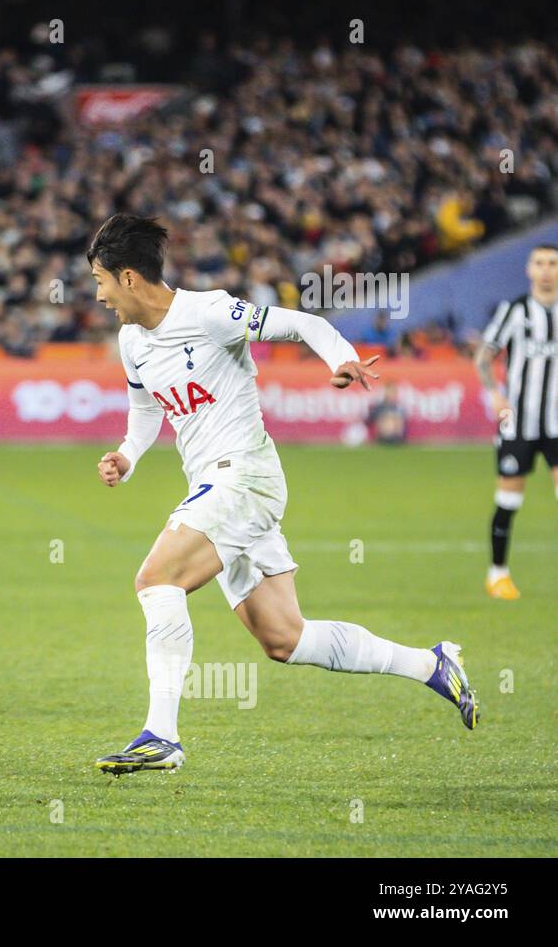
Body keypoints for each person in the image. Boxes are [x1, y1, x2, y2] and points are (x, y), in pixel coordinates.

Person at [87, 215, 478, 774]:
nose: (98, 296)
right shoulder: (132, 342)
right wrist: (127, 456)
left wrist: (339, 355)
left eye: (100, 281)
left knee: (156, 579)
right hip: (217, 486)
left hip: (243, 476)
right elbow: (147, 411)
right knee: (284, 638)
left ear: (129, 277)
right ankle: (432, 664)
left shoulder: (209, 312)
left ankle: (161, 736)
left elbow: (299, 322)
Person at [473, 244, 558, 600]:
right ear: (528, 269)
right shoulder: (515, 310)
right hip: (517, 422)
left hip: (556, 423)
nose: (546, 270)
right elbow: (483, 356)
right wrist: (495, 393)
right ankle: (498, 575)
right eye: (539, 263)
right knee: (508, 502)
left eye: (553, 264)